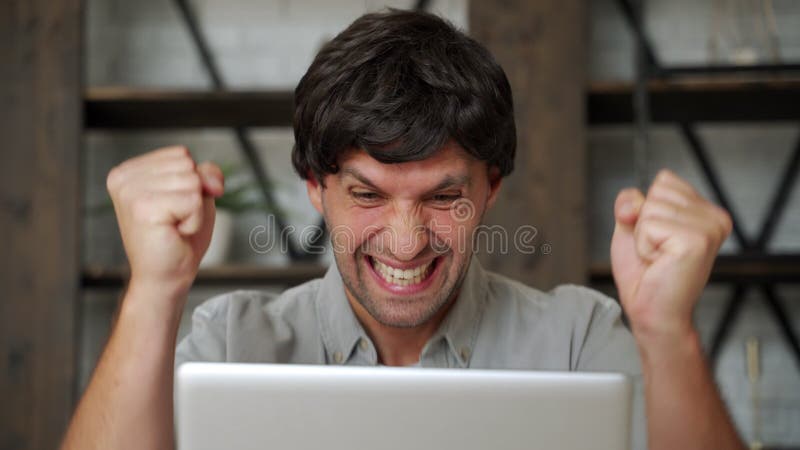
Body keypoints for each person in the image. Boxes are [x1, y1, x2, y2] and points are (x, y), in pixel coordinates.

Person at [62, 9, 745, 450]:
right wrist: (153, 290)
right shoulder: (231, 341)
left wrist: (667, 330)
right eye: (367, 193)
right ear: (315, 188)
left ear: (490, 190)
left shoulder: (579, 340)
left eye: (444, 195)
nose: (405, 239)